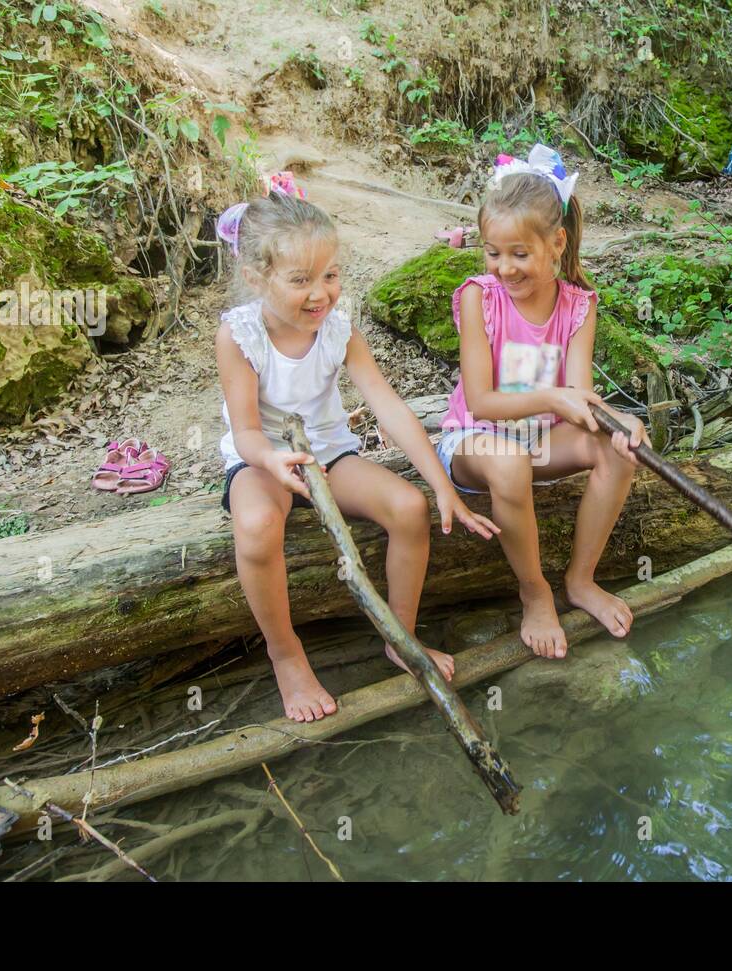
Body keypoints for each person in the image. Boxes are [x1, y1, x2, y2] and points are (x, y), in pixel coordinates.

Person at [214, 173, 497, 722]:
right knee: (255, 526)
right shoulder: (239, 334)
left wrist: (441, 485)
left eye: (331, 275)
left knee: (409, 507)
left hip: (329, 455)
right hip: (264, 461)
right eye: (301, 280)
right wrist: (272, 460)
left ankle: (399, 635)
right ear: (255, 277)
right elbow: (246, 430)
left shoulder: (339, 329)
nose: (320, 293)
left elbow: (389, 406)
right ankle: (286, 654)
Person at [435, 145, 649, 660]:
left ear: (556, 244)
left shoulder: (579, 304)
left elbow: (578, 396)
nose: (504, 268)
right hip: (473, 441)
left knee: (620, 447)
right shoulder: (478, 298)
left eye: (519, 254)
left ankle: (580, 580)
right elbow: (483, 402)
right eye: (492, 252)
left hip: (540, 441)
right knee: (508, 465)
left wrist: (618, 420)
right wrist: (553, 396)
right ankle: (535, 592)